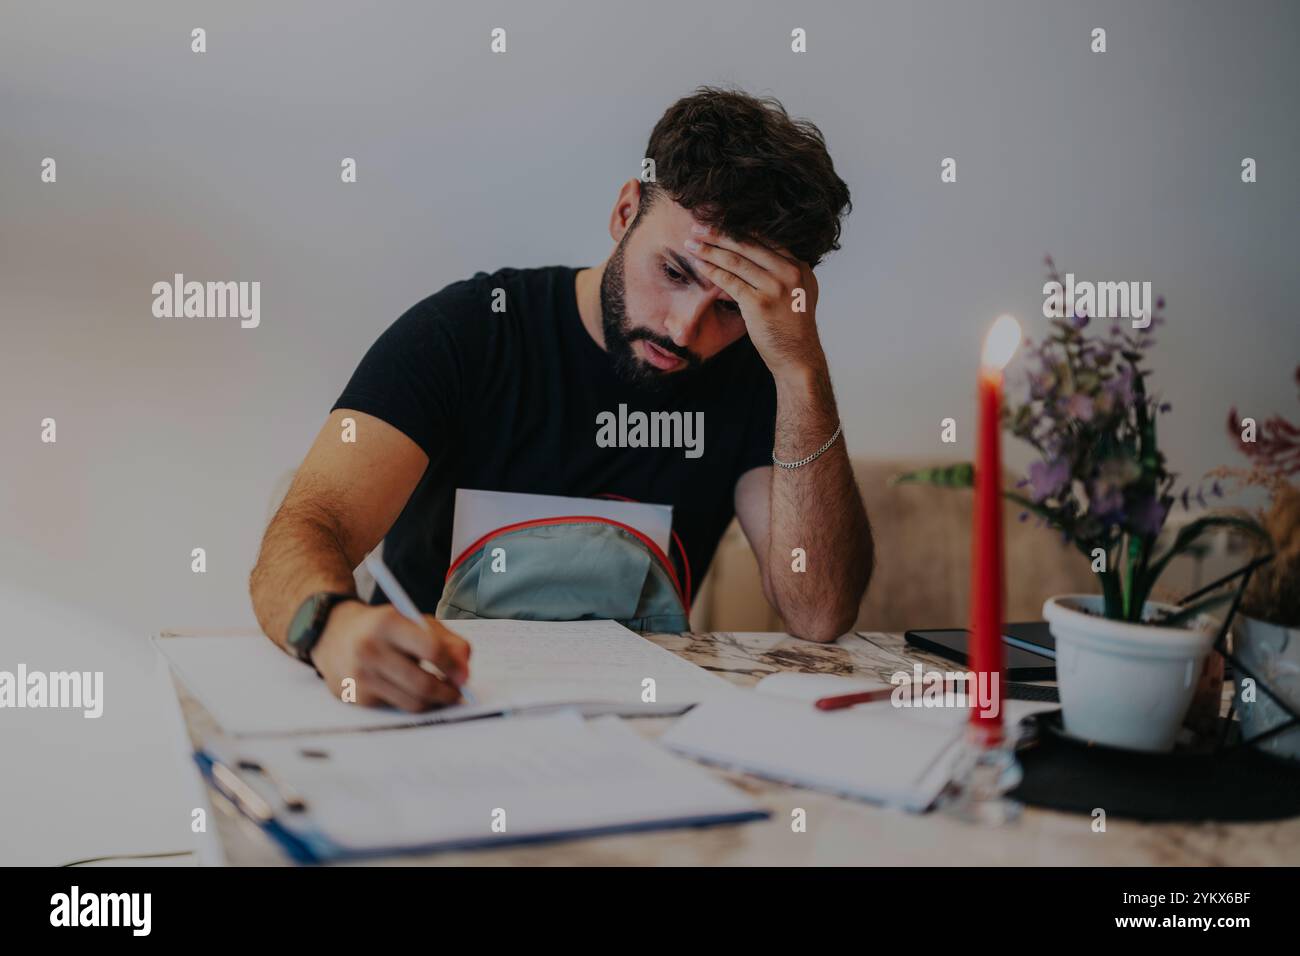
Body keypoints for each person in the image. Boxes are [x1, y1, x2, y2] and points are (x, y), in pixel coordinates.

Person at [249, 86, 874, 712]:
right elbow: (308, 525)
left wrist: (801, 371)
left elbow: (816, 613)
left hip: (642, 722)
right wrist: (329, 628)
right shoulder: (466, 333)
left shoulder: (756, 378)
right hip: (428, 703)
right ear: (626, 212)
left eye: (732, 307)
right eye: (676, 273)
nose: (685, 330)